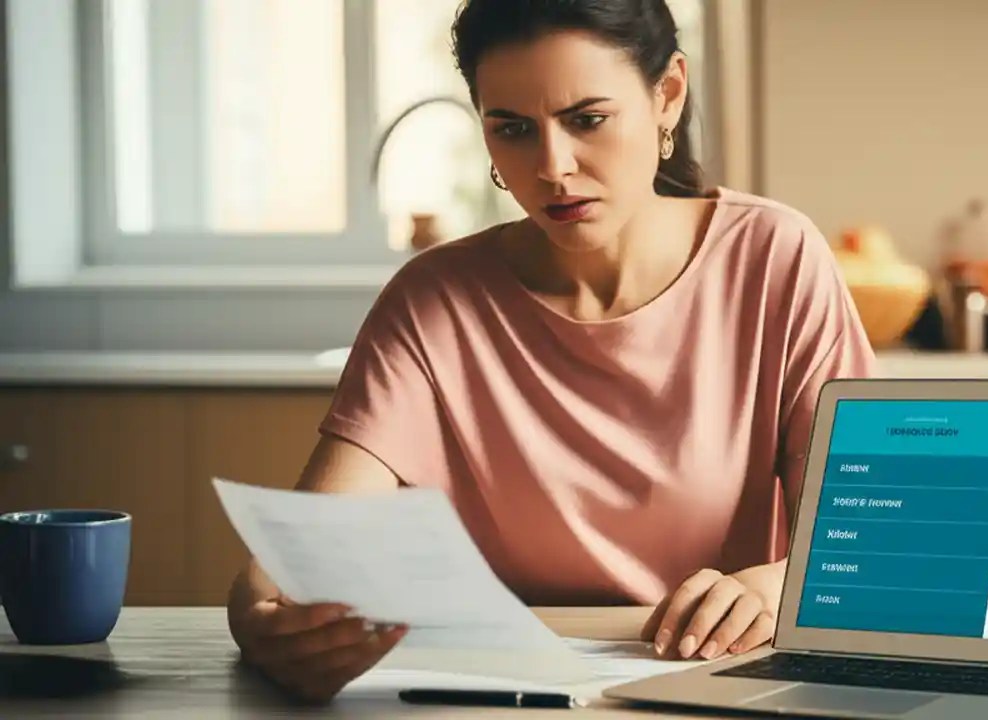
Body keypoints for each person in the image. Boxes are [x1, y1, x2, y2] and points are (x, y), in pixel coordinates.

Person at [226, 0, 875, 704]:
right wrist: (260, 623)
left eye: (587, 120)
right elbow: (291, 563)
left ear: (668, 95)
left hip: (714, 692)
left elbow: (862, 532)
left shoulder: (775, 259)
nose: (552, 167)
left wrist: (778, 587)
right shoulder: (434, 299)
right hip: (500, 700)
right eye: (512, 130)